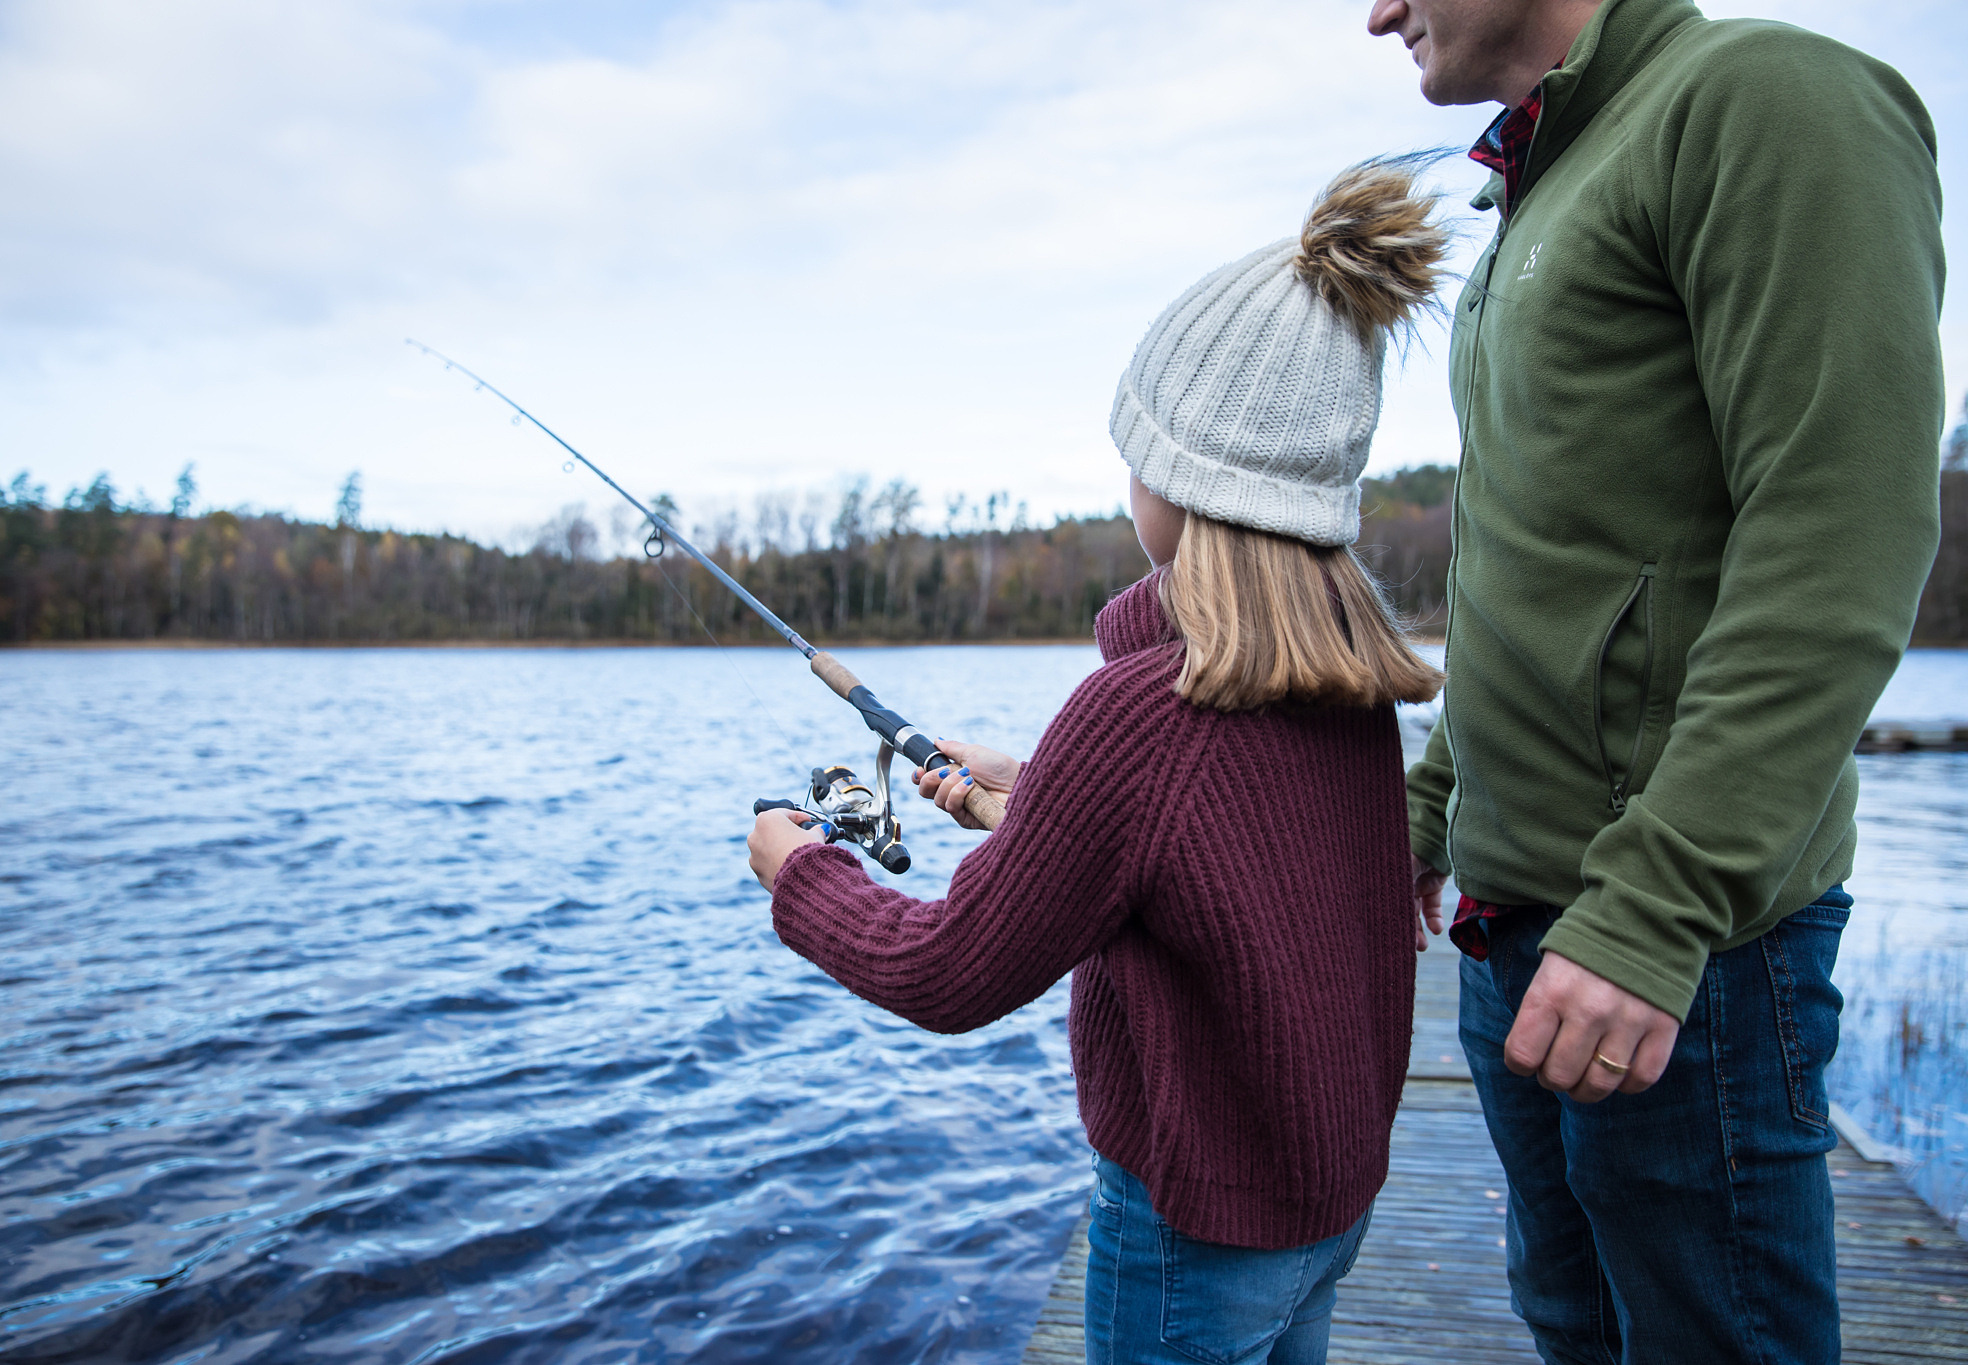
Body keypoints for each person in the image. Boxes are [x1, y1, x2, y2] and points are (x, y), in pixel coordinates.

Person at [746, 161, 1450, 1364]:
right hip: (1327, 1209)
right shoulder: (1345, 688)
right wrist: (1035, 794)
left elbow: (948, 972)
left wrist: (796, 877)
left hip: (1192, 1238)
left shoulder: (1137, 719)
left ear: (1180, 478)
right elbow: (1224, 855)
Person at [1366, 1, 1946, 1361]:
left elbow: (1838, 533)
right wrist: (1426, 814)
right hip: (1516, 932)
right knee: (1574, 1330)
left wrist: (1656, 905)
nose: (1378, 11)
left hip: (1681, 953)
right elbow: (1530, 579)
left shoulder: (1761, 100)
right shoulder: (1536, 191)